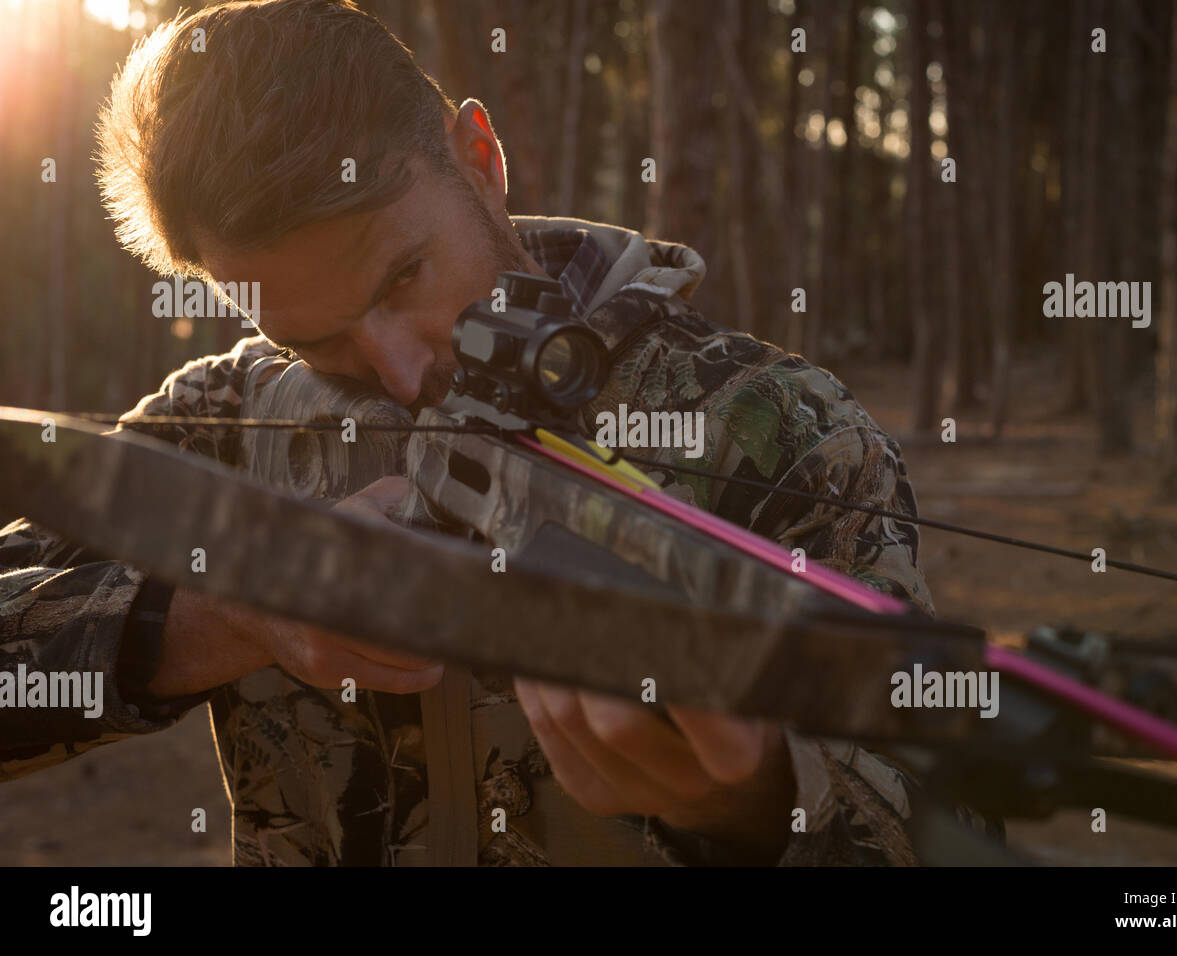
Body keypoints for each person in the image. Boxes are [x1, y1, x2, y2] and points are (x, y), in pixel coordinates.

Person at [1, 0, 943, 865]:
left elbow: (941, 818)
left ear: (481, 158)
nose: (403, 374)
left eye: (403, 277)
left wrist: (750, 800)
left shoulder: (776, 426)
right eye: (312, 339)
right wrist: (227, 615)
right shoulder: (221, 420)